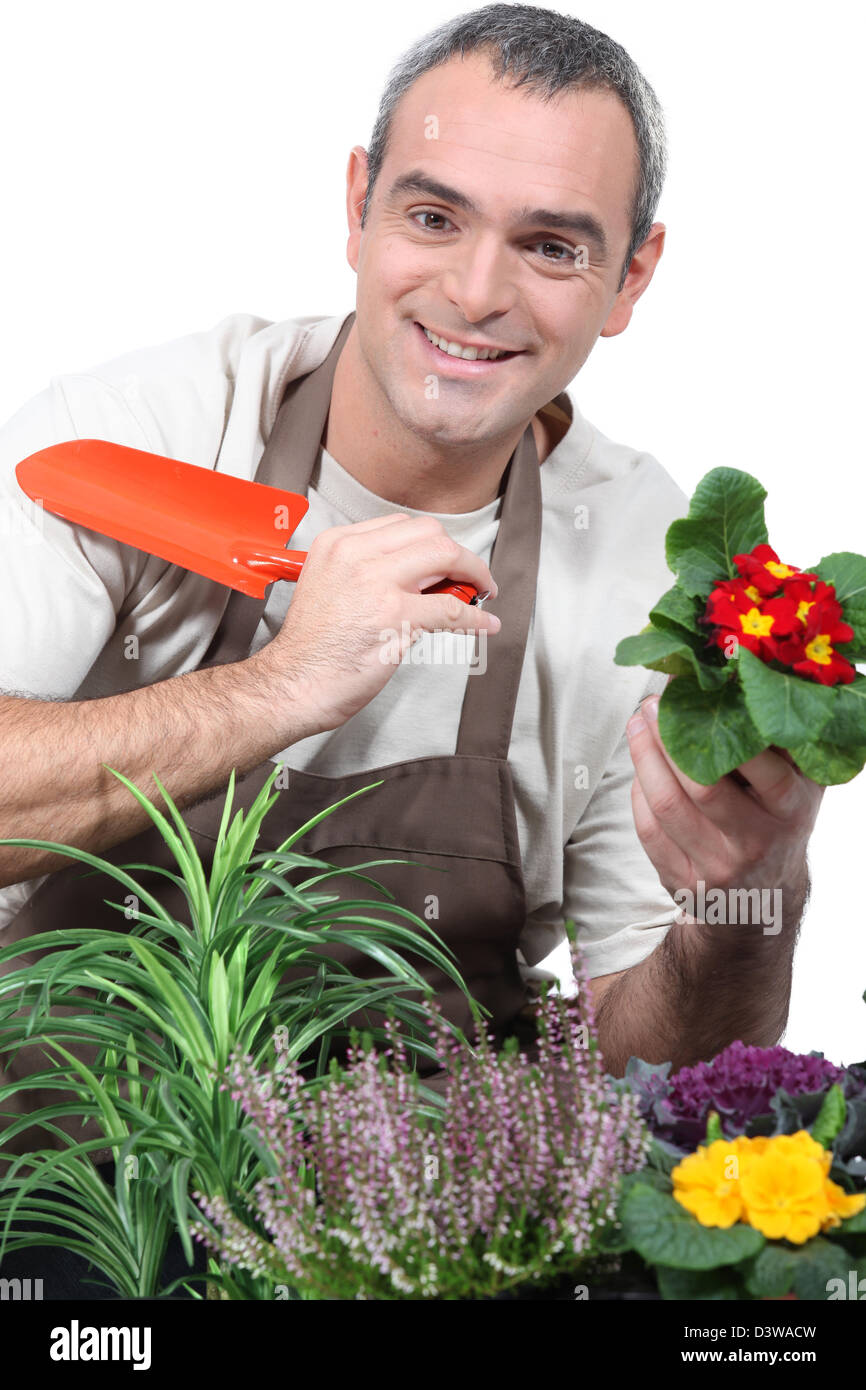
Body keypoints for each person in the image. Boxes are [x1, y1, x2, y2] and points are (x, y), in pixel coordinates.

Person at [0, 5, 822, 1117]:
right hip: (72, 1182)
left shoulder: (649, 578)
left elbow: (658, 1063)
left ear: (630, 278)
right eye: (432, 215)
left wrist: (750, 898)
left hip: (425, 1218)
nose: (475, 293)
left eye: (548, 246)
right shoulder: (140, 437)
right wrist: (279, 686)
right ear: (356, 206)